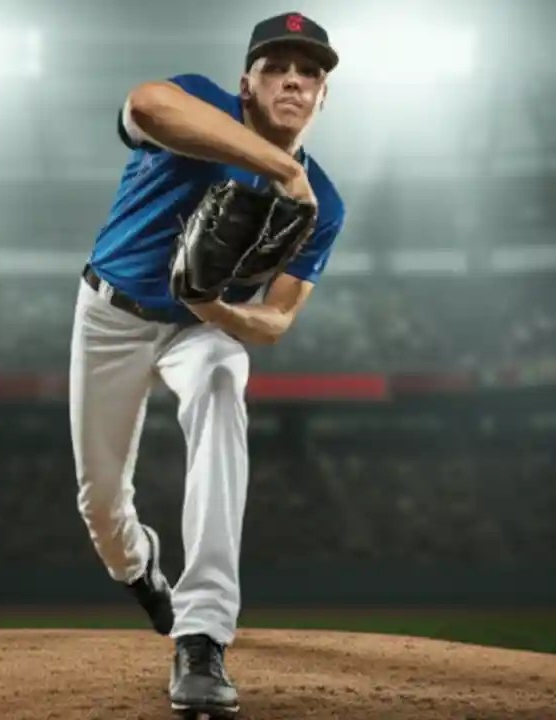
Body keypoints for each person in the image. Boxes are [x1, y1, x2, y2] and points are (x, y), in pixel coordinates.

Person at [69, 11, 345, 717]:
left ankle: (203, 633)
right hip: (112, 315)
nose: (293, 78)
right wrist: (281, 167)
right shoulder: (199, 103)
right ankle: (138, 565)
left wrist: (213, 305)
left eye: (308, 70)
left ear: (323, 95)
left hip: (199, 327)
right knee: (101, 503)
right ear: (245, 84)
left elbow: (276, 320)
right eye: (276, 66)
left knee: (225, 379)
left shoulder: (327, 205)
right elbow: (143, 106)